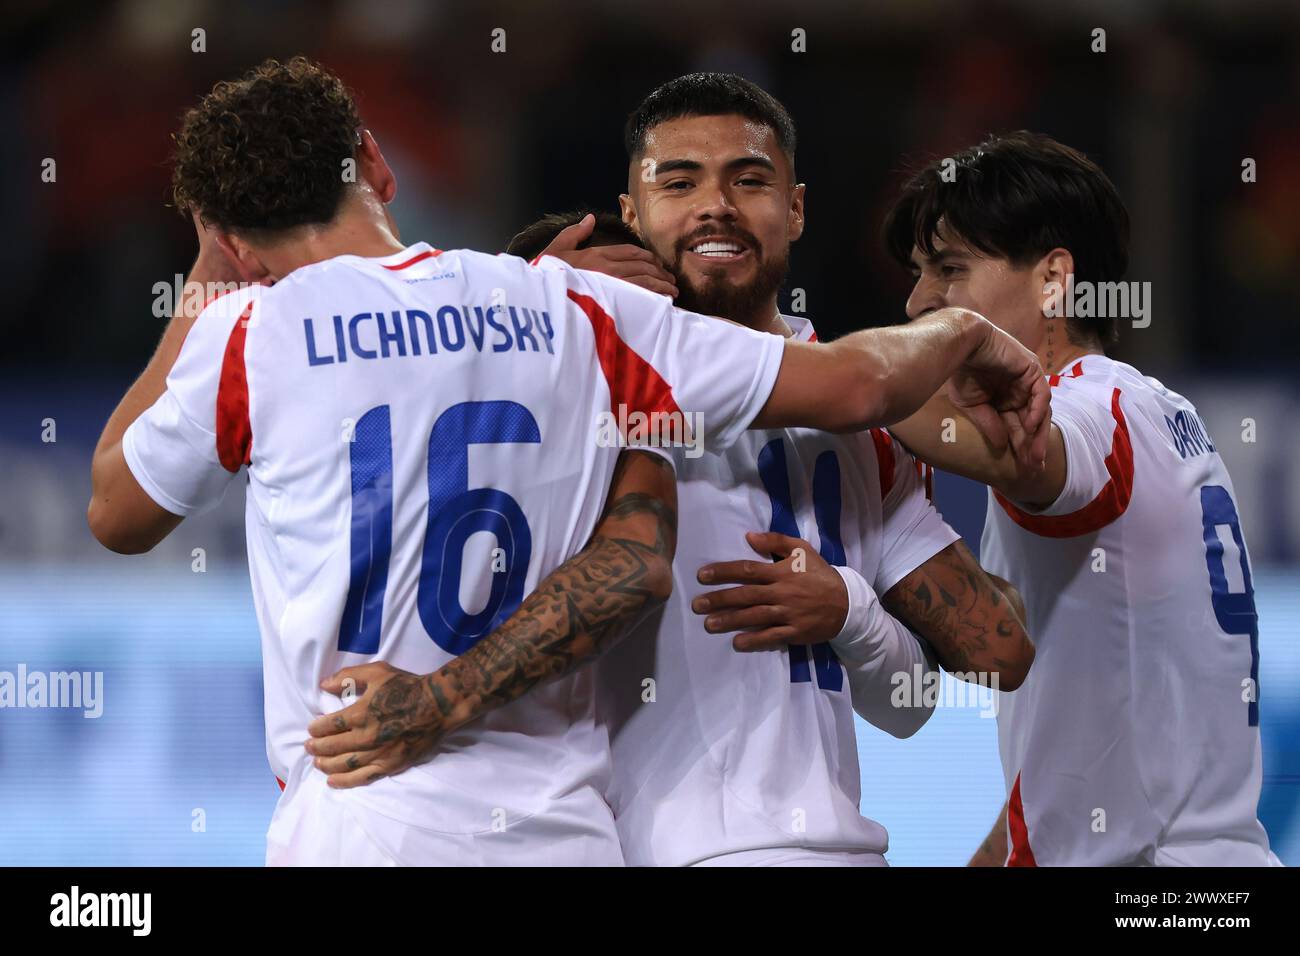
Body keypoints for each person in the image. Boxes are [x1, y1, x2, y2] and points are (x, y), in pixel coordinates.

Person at [87, 58, 1044, 865]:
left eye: (746, 180)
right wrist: (967, 331)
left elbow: (116, 510)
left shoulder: (263, 329)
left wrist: (203, 292)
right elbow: (833, 400)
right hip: (566, 833)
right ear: (375, 164)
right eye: (679, 183)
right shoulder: (579, 317)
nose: (713, 205)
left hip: (368, 814)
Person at [883, 130, 1276, 866]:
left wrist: (775, 367)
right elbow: (1077, 765)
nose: (916, 301)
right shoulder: (1163, 412)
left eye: (950, 268)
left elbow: (1005, 449)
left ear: (1052, 280)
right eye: (917, 272)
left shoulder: (1087, 415)